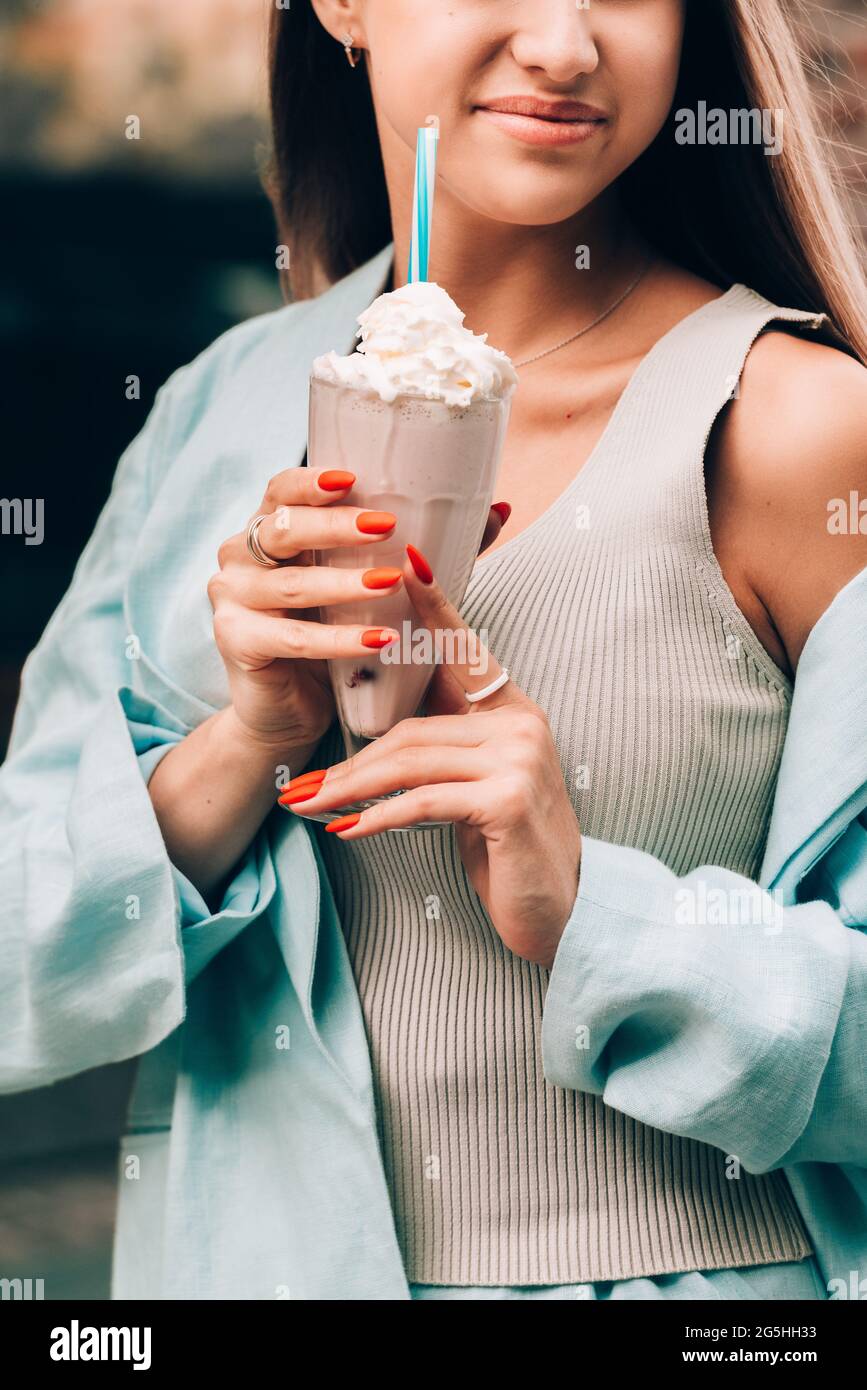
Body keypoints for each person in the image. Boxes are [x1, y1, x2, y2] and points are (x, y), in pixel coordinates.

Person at [2, 0, 866, 1301]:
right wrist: (241, 749)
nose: (566, 45)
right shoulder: (209, 415)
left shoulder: (798, 430)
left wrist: (598, 912)